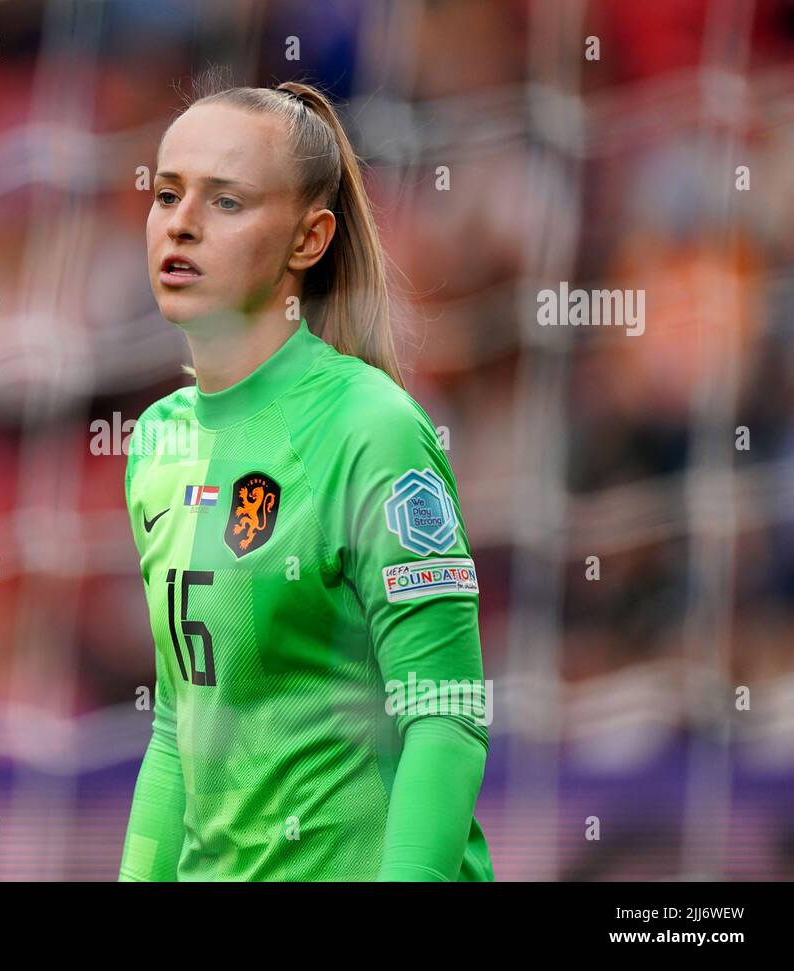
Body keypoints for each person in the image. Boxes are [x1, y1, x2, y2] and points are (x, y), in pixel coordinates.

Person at [118, 76, 493, 881]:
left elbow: (446, 715)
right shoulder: (156, 442)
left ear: (308, 239)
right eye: (167, 192)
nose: (179, 222)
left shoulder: (372, 429)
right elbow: (179, 725)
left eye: (226, 202)